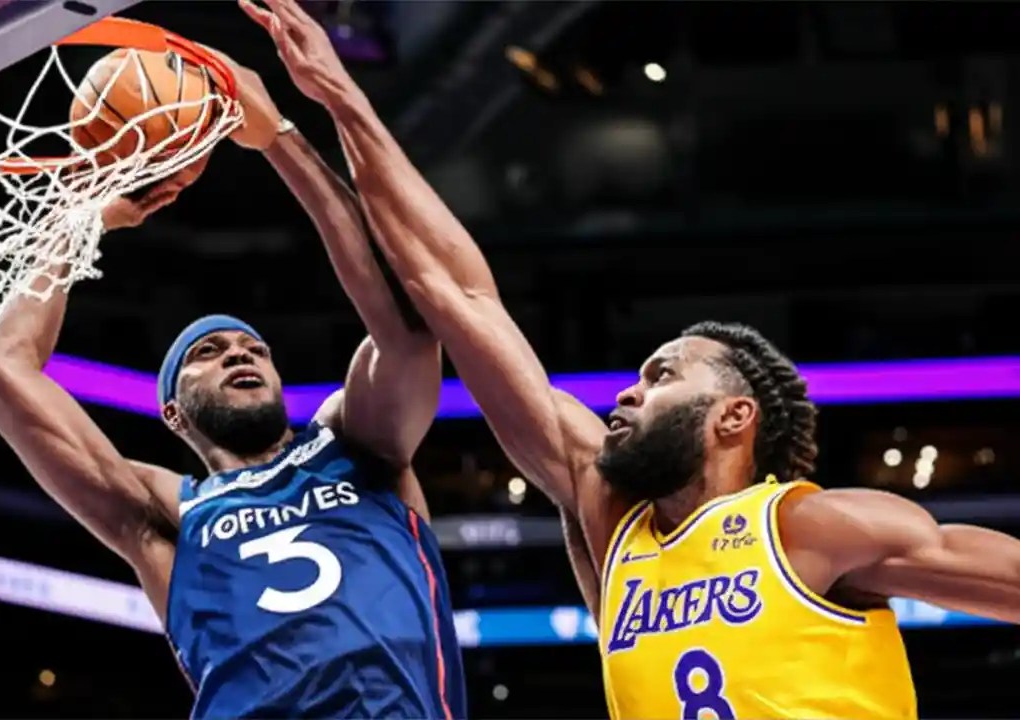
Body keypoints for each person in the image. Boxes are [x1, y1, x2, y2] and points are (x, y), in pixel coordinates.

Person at [242, 1, 1020, 717]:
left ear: (734, 416)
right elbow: (456, 295)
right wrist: (333, 104)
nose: (627, 395)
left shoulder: (809, 528)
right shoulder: (614, 518)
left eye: (662, 377)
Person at [0, 57, 465, 719]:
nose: (239, 354)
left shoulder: (356, 444)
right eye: (208, 352)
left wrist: (279, 136)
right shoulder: (165, 513)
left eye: (254, 348)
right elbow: (0, 366)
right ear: (173, 412)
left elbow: (406, 329)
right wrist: (78, 223)